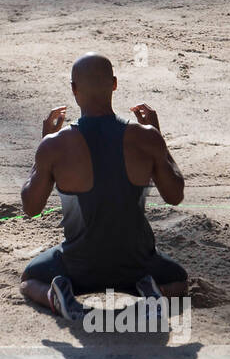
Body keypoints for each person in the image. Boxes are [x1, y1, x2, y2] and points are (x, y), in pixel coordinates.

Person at [18, 53, 187, 320]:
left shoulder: (55, 145)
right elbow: (174, 195)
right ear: (115, 84)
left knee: (29, 280)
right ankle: (153, 292)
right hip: (137, 265)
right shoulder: (146, 138)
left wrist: (44, 148)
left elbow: (31, 207)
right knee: (179, 282)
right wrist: (159, 142)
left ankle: (57, 296)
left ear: (74, 90)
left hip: (78, 266)